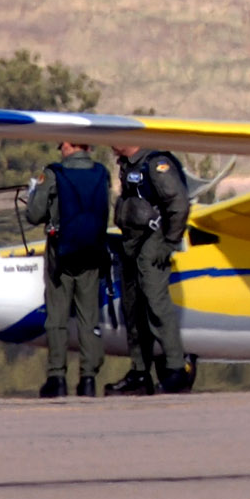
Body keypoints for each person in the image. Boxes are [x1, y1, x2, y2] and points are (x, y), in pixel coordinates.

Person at [23, 140, 113, 398]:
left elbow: (34, 214)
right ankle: (88, 379)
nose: (60, 149)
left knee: (57, 317)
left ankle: (57, 377)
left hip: (61, 254)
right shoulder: (101, 173)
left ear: (71, 145)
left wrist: (33, 195)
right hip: (93, 251)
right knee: (89, 318)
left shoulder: (53, 174)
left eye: (62, 144)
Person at [110, 143, 192, 395]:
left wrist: (168, 242)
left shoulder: (156, 164)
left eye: (115, 138)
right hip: (131, 240)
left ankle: (176, 369)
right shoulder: (129, 165)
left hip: (152, 240)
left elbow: (178, 204)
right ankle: (139, 371)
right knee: (133, 308)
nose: (111, 144)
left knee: (157, 305)